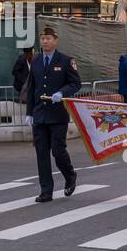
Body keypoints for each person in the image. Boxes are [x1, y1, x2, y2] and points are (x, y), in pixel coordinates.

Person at [26, 25, 81, 201]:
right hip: (40, 114)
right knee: (41, 153)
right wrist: (29, 112)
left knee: (58, 151)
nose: (45, 41)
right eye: (42, 39)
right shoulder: (35, 60)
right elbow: (31, 87)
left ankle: (70, 175)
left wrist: (62, 93)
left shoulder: (66, 60)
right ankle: (46, 191)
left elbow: (76, 83)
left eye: (48, 39)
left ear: (55, 41)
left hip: (58, 115)